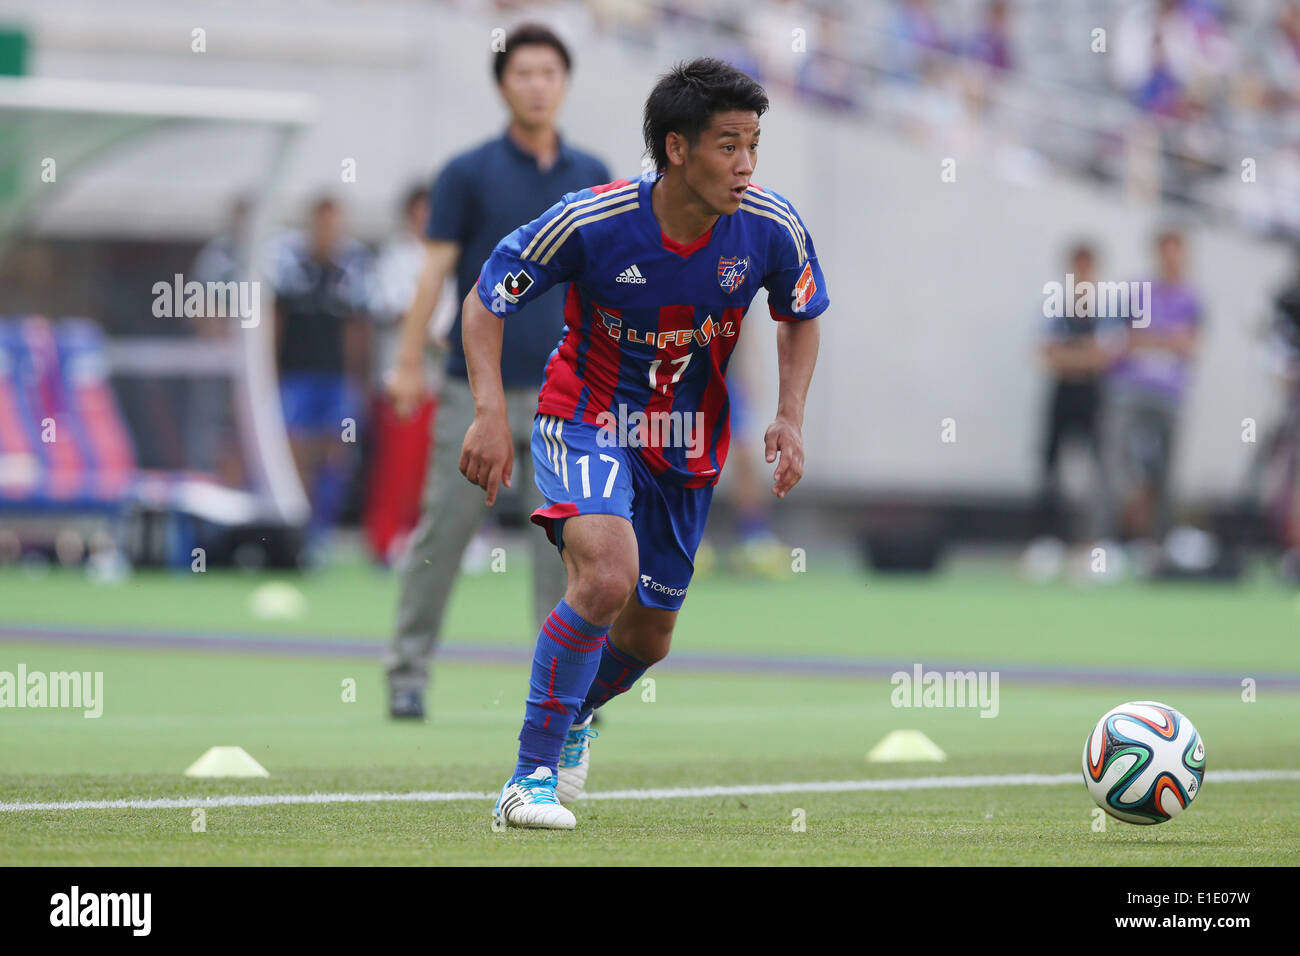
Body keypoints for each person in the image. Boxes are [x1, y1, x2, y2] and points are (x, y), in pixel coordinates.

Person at [460, 57, 829, 829]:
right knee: (604, 577)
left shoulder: (769, 225)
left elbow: (800, 313)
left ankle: (577, 714)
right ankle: (527, 781)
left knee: (651, 637)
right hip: (587, 419)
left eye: (754, 145)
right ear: (676, 148)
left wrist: (790, 415)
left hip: (685, 444)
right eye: (728, 145)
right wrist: (491, 413)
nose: (746, 165)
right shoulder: (591, 221)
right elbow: (488, 295)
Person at [383, 24, 610, 719]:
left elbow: (607, 287)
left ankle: (569, 689)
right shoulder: (467, 173)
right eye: (524, 73)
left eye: (549, 72)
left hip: (564, 398)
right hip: (469, 391)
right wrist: (407, 360)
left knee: (569, 545)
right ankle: (408, 672)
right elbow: (434, 274)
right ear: (502, 85)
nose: (537, 84)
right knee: (443, 531)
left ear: (565, 83)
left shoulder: (593, 175)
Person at [268, 195, 372, 554]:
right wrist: (271, 371)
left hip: (337, 379)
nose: (329, 233)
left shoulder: (351, 269)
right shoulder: (289, 267)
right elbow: (275, 320)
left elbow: (358, 328)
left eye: (335, 225)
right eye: (323, 224)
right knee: (294, 451)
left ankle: (320, 533)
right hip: (297, 376)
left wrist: (358, 378)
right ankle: (293, 530)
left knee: (336, 454)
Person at [1099, 228, 1203, 555]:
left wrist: (1153, 339)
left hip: (1169, 395)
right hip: (1128, 391)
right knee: (1115, 467)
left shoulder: (1191, 297)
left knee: (1165, 472)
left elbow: (1189, 345)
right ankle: (1105, 543)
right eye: (1166, 251)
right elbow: (1120, 339)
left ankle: (1156, 546)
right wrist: (1163, 340)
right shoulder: (1137, 291)